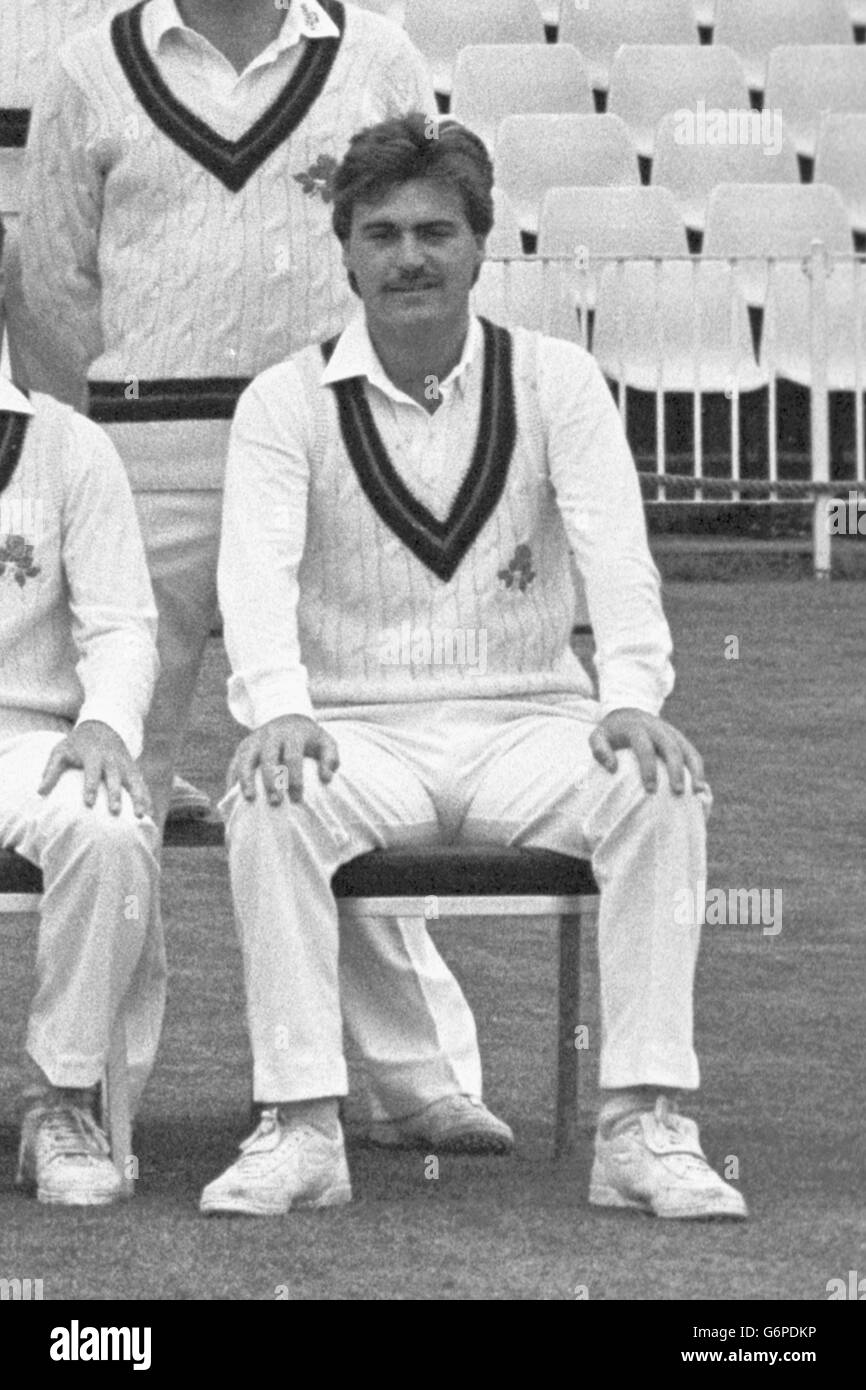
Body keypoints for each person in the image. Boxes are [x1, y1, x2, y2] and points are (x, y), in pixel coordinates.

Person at [203, 113, 749, 1220]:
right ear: (344, 248)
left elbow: (617, 560)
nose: (410, 256)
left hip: (529, 725)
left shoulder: (557, 381)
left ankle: (640, 1125)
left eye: (436, 231)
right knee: (267, 789)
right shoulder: (282, 401)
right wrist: (279, 707)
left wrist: (633, 699)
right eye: (383, 232)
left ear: (480, 243)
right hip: (357, 732)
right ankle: (302, 1126)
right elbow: (254, 581)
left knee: (658, 782)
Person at [0, 216, 164, 1206]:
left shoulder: (67, 448)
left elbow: (122, 624)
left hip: (28, 738)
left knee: (109, 830)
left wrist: (105, 724)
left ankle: (60, 1099)